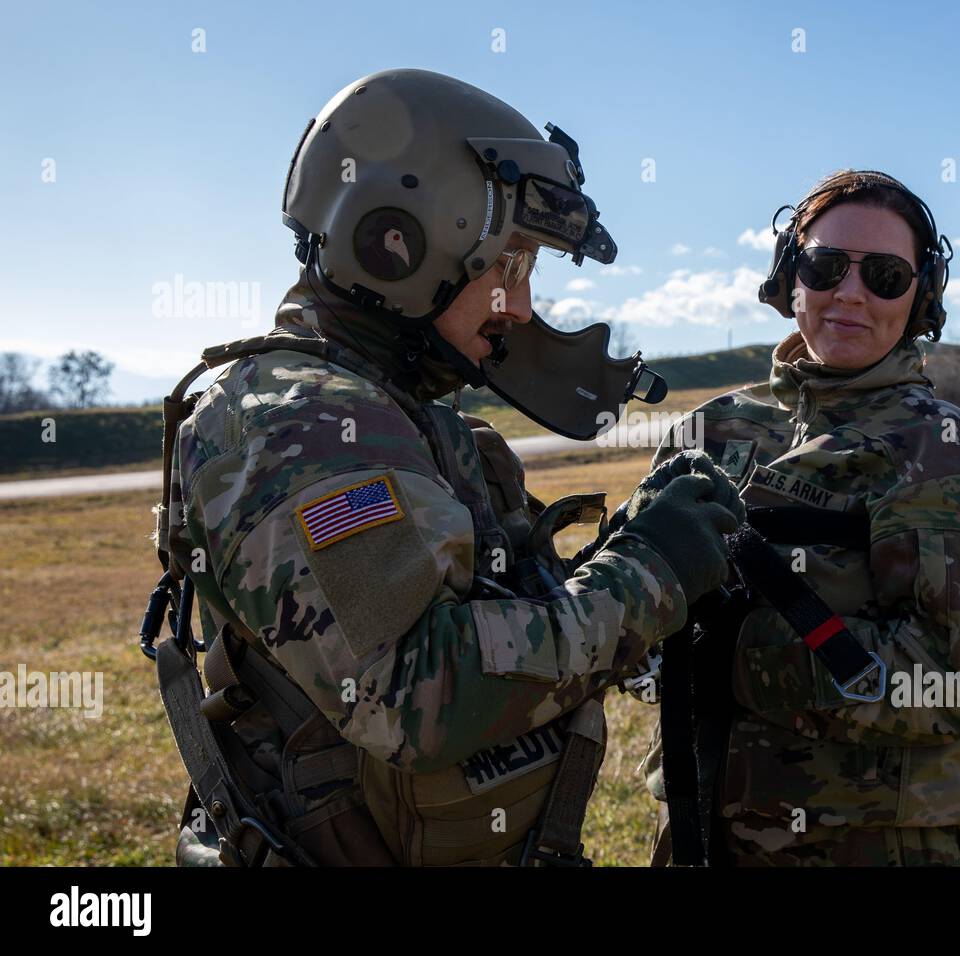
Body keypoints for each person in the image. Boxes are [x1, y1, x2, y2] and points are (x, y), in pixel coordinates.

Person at [145, 68, 743, 867]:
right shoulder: (304, 424)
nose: (522, 308)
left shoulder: (400, 412)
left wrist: (629, 548)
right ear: (405, 244)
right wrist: (646, 576)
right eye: (512, 265)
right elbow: (413, 692)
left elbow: (501, 614)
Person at [639, 169, 960, 866]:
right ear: (789, 277)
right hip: (697, 831)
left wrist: (736, 657)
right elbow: (628, 589)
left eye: (887, 276)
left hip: (868, 844)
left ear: (920, 296)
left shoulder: (946, 453)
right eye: (826, 266)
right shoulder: (712, 428)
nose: (851, 294)